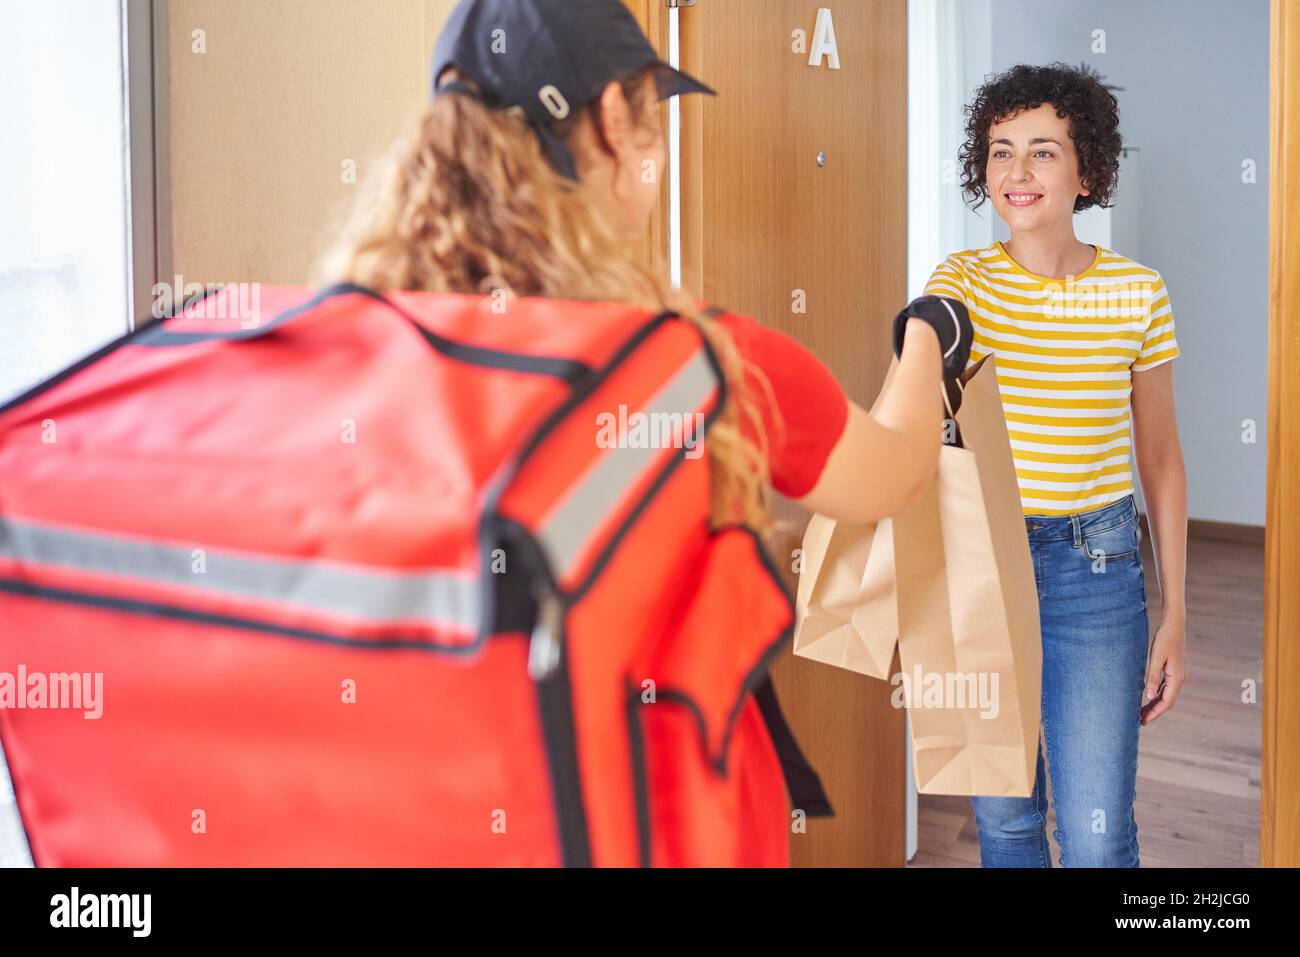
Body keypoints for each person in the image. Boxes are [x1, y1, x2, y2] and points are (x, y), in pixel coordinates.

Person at [317, 0, 970, 543]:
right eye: (653, 118)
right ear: (611, 120)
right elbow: (895, 473)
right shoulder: (702, 362)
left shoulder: (344, 348)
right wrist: (927, 330)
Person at [924, 63, 1188, 867]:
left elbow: (1163, 459)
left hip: (1096, 568)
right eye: (1002, 151)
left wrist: (1176, 610)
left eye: (1043, 151)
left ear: (1088, 172)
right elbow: (918, 394)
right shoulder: (958, 282)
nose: (1017, 172)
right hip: (983, 569)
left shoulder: (1138, 292)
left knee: (1100, 835)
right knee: (1005, 823)